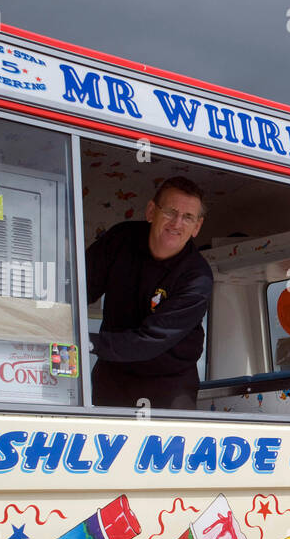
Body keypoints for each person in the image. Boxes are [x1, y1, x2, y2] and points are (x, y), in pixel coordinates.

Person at [86, 176, 213, 410]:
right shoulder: (120, 240)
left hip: (169, 383)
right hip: (113, 374)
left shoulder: (197, 277)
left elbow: (149, 341)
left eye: (187, 217)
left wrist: (82, 343)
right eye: (170, 212)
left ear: (197, 227)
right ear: (151, 211)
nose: (177, 223)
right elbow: (77, 288)